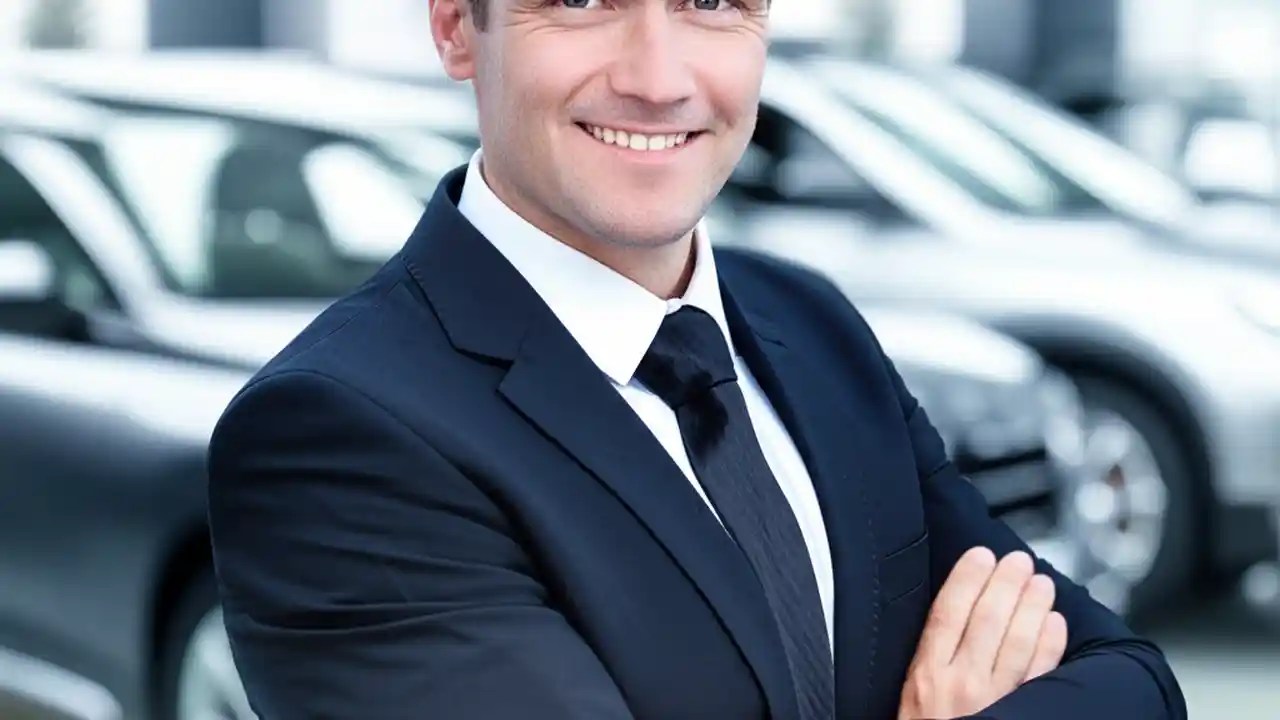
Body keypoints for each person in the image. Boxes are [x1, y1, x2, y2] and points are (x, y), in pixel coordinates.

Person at [205, 0, 1187, 718]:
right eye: (581, 2)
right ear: (459, 25)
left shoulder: (813, 327)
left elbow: (1128, 681)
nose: (657, 75)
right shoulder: (337, 436)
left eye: (711, 2)